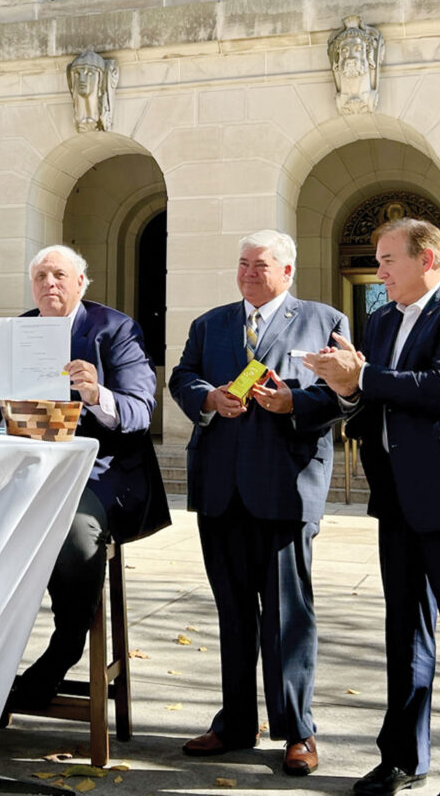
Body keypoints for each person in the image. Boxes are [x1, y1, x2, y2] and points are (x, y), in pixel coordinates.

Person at [304, 218, 440, 796]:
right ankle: (402, 758)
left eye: (389, 259)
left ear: (427, 261)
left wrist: (364, 376)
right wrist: (341, 388)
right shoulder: (379, 319)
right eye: (377, 259)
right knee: (406, 639)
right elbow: (370, 402)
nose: (380, 271)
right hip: (396, 502)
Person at [0, 244, 170, 708]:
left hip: (96, 475)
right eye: (41, 276)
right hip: (22, 469)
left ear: (81, 283)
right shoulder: (17, 330)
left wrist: (95, 393)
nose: (50, 283)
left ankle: (63, 649)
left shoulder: (114, 329)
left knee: (71, 531)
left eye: (60, 275)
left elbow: (139, 411)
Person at [168, 229, 348, 777]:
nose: (249, 273)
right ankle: (236, 723)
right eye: (243, 264)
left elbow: (346, 393)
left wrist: (295, 401)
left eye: (261, 265)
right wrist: (206, 398)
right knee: (233, 611)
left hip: (285, 488)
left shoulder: (325, 320)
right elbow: (182, 376)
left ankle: (297, 729)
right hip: (221, 488)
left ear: (287, 271)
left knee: (289, 616)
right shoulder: (211, 323)